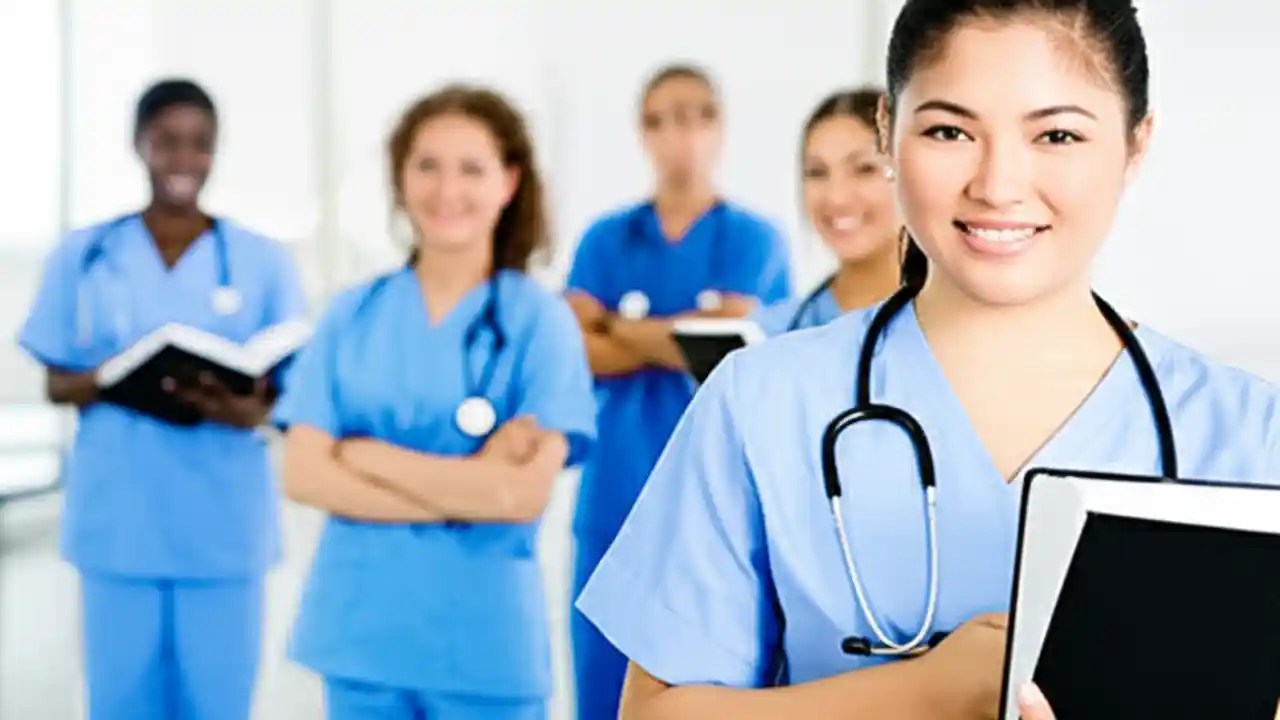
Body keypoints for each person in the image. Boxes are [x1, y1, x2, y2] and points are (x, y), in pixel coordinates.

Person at [575, 1, 1280, 718]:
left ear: (1136, 143)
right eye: (950, 130)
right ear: (887, 130)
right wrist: (925, 694)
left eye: (1058, 134)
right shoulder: (761, 402)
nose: (998, 185)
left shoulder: (1247, 432)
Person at [274, 85, 596, 720]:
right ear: (400, 178)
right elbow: (303, 472)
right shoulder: (351, 313)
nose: (447, 190)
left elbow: (519, 496)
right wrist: (471, 482)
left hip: (482, 643)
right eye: (427, 165)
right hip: (362, 638)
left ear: (508, 182)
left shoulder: (540, 323)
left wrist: (363, 455)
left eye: (471, 168)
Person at [16, 78, 306, 720]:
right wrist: (118, 378)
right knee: (121, 704)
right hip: (120, 526)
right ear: (139, 145)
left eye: (200, 144)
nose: (184, 159)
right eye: (167, 141)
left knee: (218, 704)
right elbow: (56, 379)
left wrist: (242, 409)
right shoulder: (84, 254)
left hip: (222, 530)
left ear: (216, 151)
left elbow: (285, 394)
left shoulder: (262, 263)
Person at [564, 62, 792, 720]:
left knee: (707, 692)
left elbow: (734, 342)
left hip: (725, 497)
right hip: (618, 491)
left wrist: (617, 322)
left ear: (719, 128)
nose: (679, 134)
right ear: (642, 134)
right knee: (603, 690)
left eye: (696, 114)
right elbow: (582, 348)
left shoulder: (754, 238)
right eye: (660, 119)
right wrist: (677, 332)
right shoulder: (606, 238)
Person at [753, 88, 903, 336]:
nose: (837, 197)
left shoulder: (964, 324)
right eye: (817, 172)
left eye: (864, 169)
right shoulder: (771, 333)